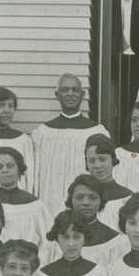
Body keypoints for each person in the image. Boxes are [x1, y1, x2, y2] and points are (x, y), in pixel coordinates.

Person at [31, 74, 107, 205]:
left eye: (75, 90)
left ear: (83, 95)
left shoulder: (97, 131)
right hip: (51, 200)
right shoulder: (43, 133)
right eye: (65, 90)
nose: (70, 94)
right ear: (57, 95)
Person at [0, 146, 50, 249]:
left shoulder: (35, 205)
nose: (4, 170)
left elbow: (48, 242)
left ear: (19, 169)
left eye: (9, 166)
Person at [56, 175, 129, 269]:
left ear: (101, 201)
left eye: (93, 197)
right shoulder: (56, 242)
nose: (86, 202)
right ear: (71, 201)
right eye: (79, 197)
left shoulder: (116, 243)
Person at [0, 86, 36, 188]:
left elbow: (29, 175)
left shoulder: (23, 140)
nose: (7, 110)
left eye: (10, 106)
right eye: (1, 105)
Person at [84, 132, 134, 230]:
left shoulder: (127, 200)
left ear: (112, 160)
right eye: (92, 161)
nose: (97, 165)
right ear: (87, 163)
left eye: (102, 159)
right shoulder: (79, 198)